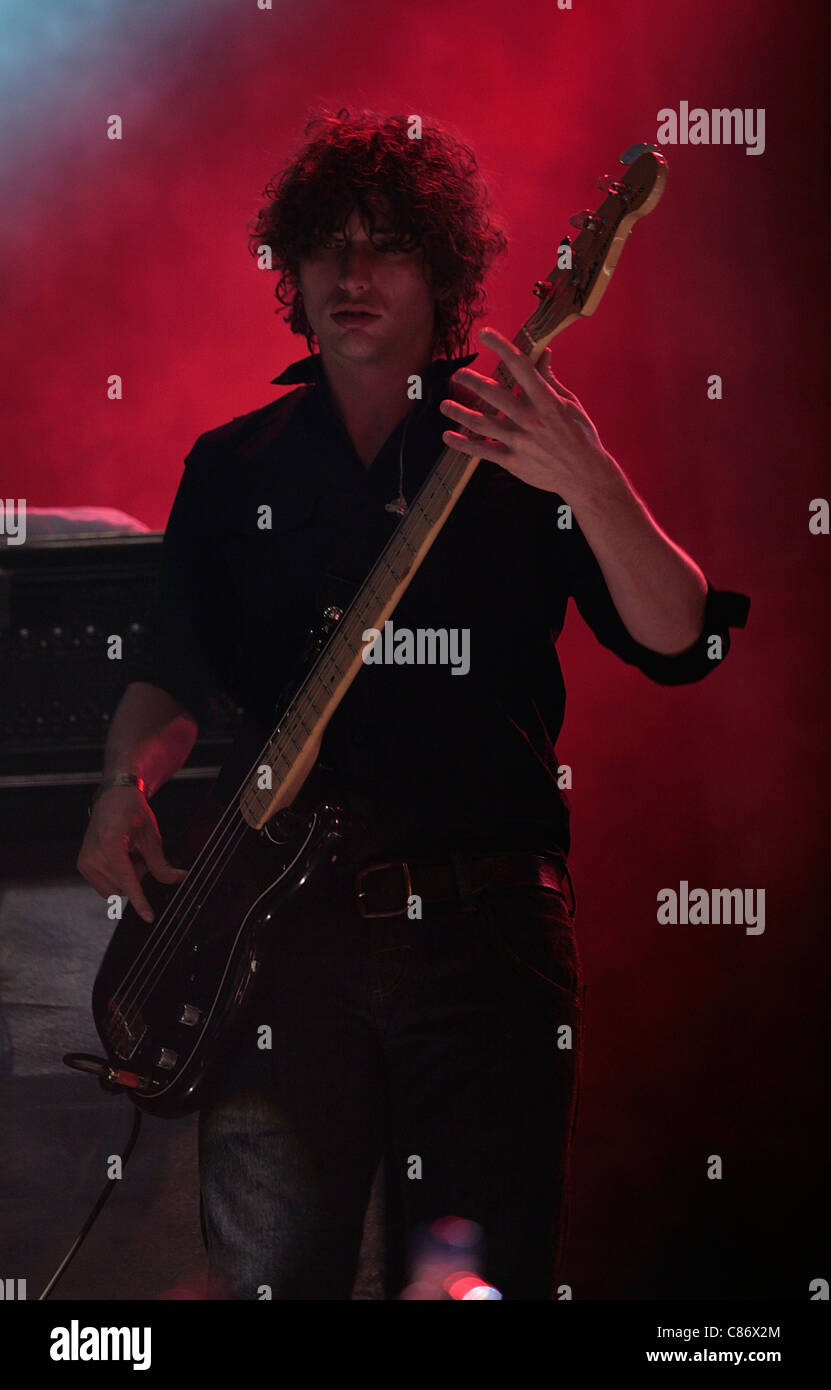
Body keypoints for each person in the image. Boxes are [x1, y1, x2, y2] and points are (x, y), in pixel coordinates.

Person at [77, 108, 750, 1300]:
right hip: (275, 950)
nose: (349, 274)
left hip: (484, 945)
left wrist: (588, 476)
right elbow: (169, 674)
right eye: (326, 246)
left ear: (444, 276)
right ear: (289, 271)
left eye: (385, 244)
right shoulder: (235, 468)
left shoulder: (517, 441)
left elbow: (681, 637)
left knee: (469, 1288)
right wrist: (122, 788)